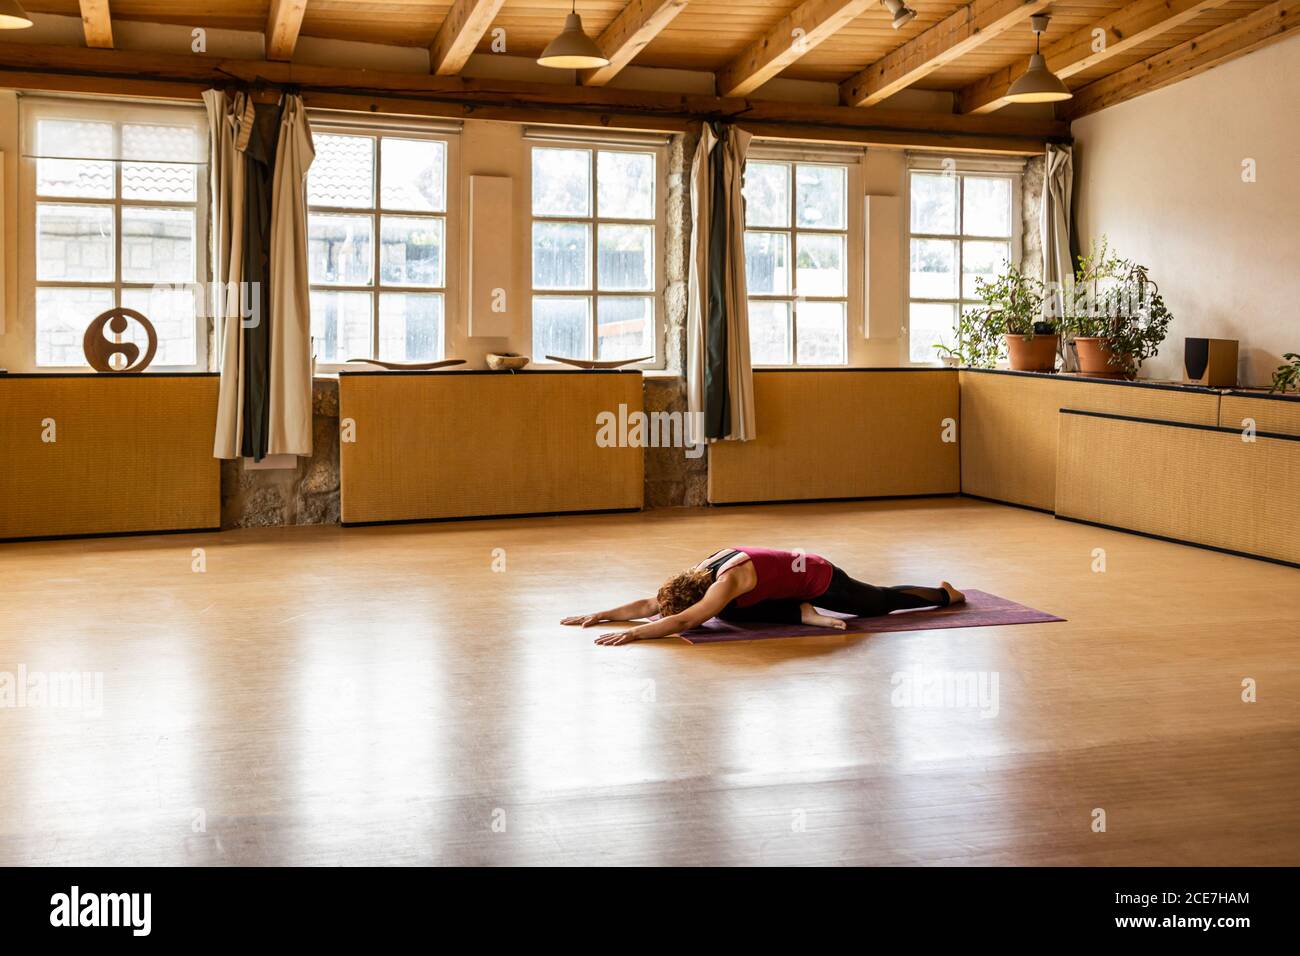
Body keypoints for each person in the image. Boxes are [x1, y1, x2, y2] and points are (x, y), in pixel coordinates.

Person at [562, 546, 964, 646]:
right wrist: (602, 614)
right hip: (784, 582)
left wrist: (634, 635)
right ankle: (802, 613)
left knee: (878, 603)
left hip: (820, 577)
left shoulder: (726, 584)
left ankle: (945, 595)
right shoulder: (703, 572)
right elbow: (653, 605)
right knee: (727, 619)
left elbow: (684, 620)